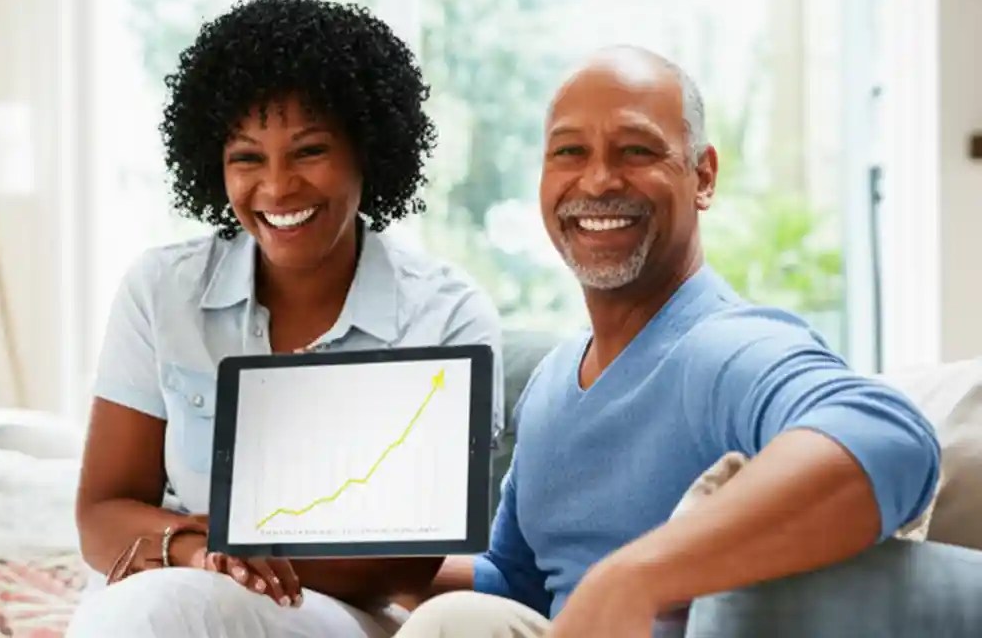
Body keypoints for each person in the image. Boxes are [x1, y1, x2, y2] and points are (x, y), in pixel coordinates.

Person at [393, 46, 945, 638]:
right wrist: (346, 566)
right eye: (570, 152)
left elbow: (892, 438)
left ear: (702, 176)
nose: (599, 179)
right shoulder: (554, 380)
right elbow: (516, 581)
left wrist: (636, 576)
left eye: (636, 150)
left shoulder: (728, 347)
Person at [66, 0, 502, 638]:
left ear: (368, 150)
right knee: (151, 610)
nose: (276, 188)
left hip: (345, 615)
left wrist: (231, 552)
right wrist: (199, 549)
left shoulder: (446, 316)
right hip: (174, 585)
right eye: (246, 157)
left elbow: (408, 561)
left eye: (309, 151)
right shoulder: (161, 291)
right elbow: (102, 515)